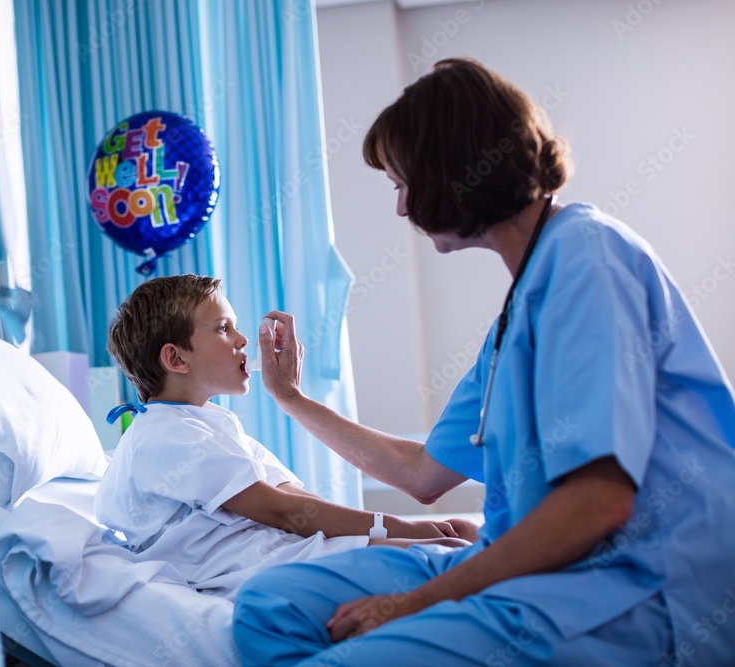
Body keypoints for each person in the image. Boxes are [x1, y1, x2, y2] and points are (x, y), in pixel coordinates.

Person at [233, 58, 735, 665]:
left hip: (631, 583)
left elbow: (599, 502)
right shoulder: (517, 314)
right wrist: (291, 399)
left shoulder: (587, 260)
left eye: (401, 183)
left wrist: (414, 604)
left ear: (449, 171)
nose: (400, 209)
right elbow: (423, 474)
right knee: (268, 606)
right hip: (533, 566)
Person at [94, 275, 476, 600]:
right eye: (224, 329)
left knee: (465, 534)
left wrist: (388, 525)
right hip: (272, 568)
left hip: (293, 551)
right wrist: (397, 528)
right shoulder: (165, 434)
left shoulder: (215, 423)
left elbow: (297, 498)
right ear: (177, 359)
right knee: (455, 556)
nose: (243, 340)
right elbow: (281, 511)